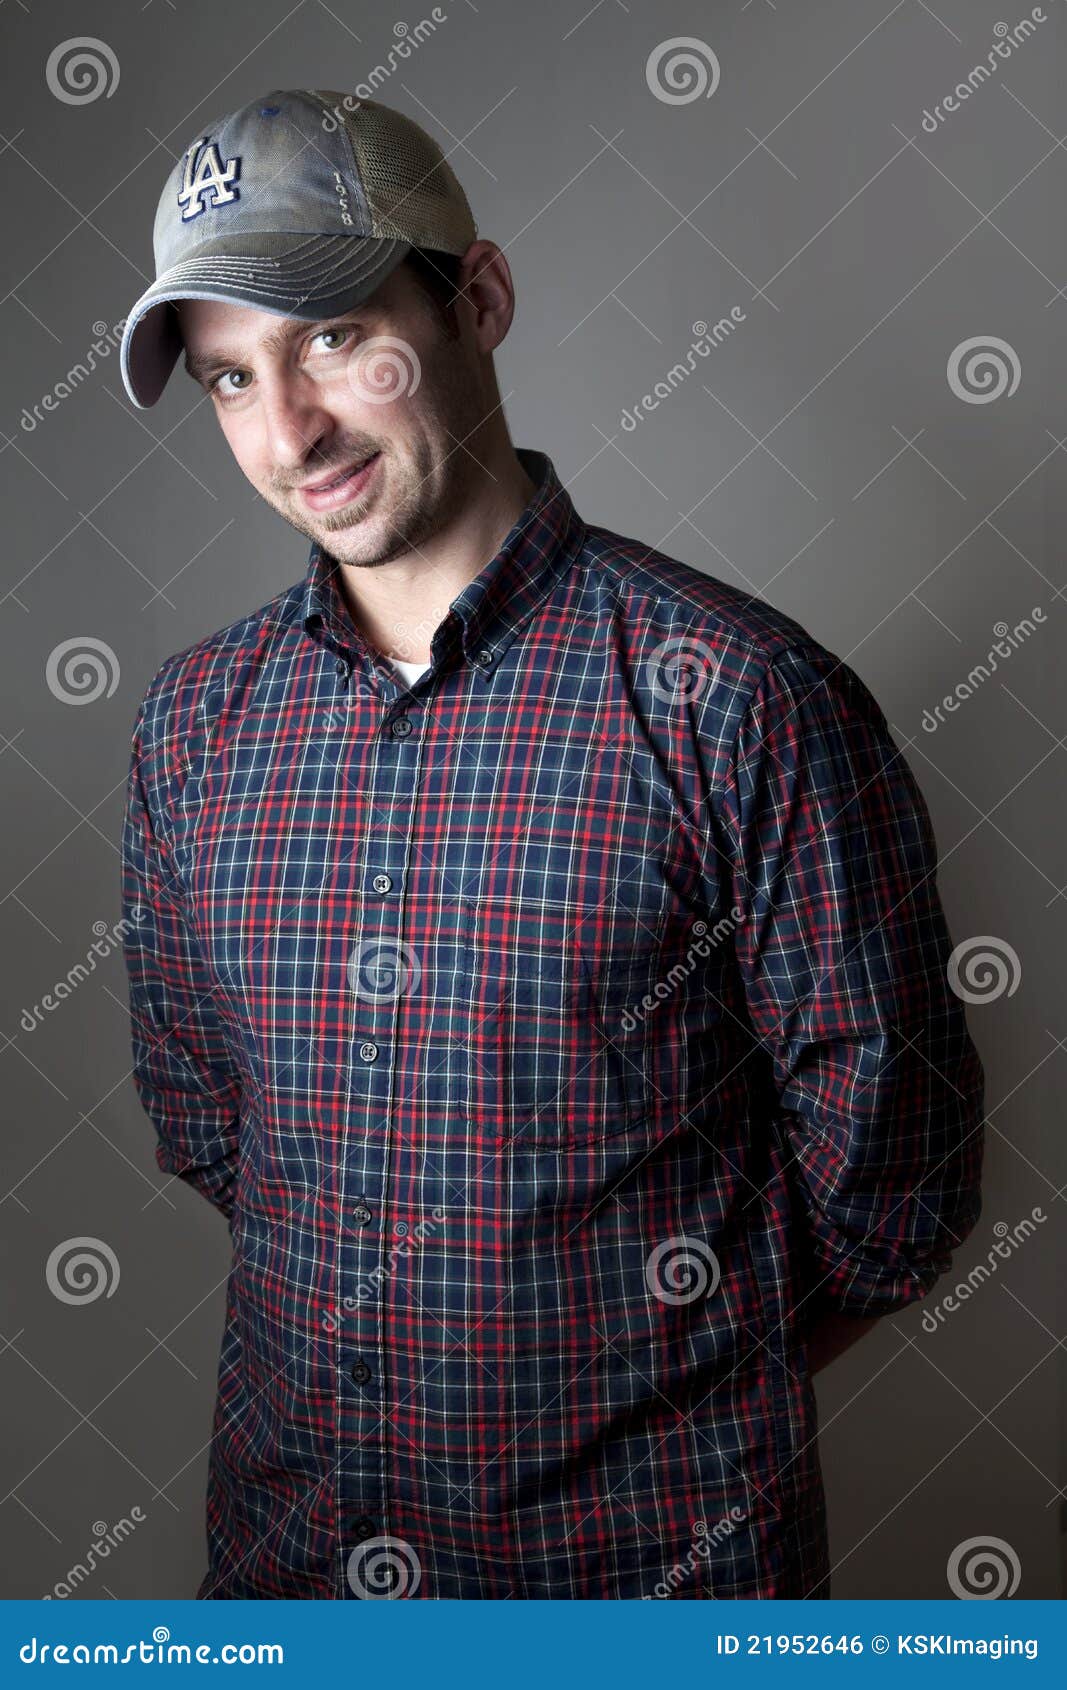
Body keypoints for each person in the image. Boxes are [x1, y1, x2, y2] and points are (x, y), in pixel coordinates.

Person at [118, 89, 985, 1601]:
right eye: (231, 378)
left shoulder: (739, 700)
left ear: (479, 300)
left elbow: (891, 1191)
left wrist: (631, 1392)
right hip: (289, 1583)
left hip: (641, 1593)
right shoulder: (193, 728)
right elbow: (208, 1122)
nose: (290, 429)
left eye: (334, 338)